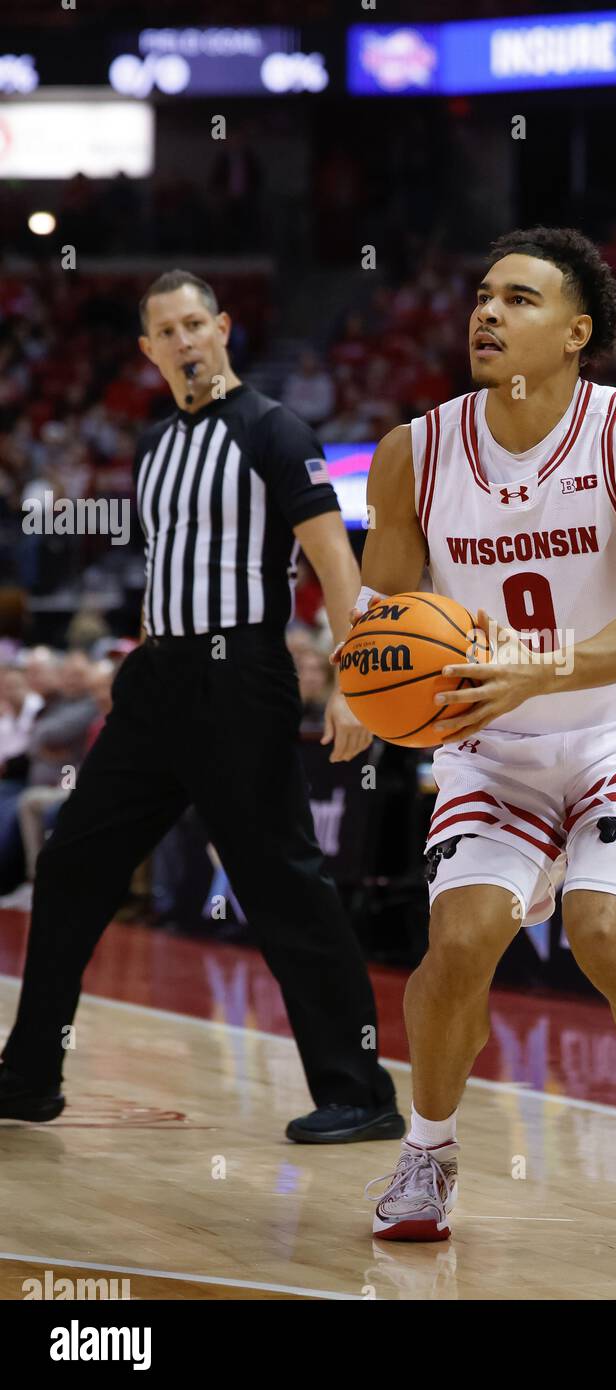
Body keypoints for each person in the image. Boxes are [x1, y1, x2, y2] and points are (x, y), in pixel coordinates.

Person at [355, 227, 616, 1251]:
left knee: (601, 930)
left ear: (576, 331)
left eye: (518, 298)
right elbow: (385, 614)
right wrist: (359, 683)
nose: (488, 313)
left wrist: (536, 664)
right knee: (459, 943)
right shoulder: (411, 451)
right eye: (481, 295)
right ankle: (428, 1148)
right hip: (490, 746)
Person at [0, 269, 404, 1145]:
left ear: (223, 328)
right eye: (167, 331)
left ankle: (360, 1090)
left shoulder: (275, 428)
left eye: (196, 323)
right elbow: (171, 563)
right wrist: (138, 665)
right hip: (160, 680)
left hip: (241, 680)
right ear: (148, 351)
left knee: (283, 884)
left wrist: (355, 681)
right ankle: (28, 1078)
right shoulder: (154, 448)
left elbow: (337, 566)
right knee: (71, 865)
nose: (185, 341)